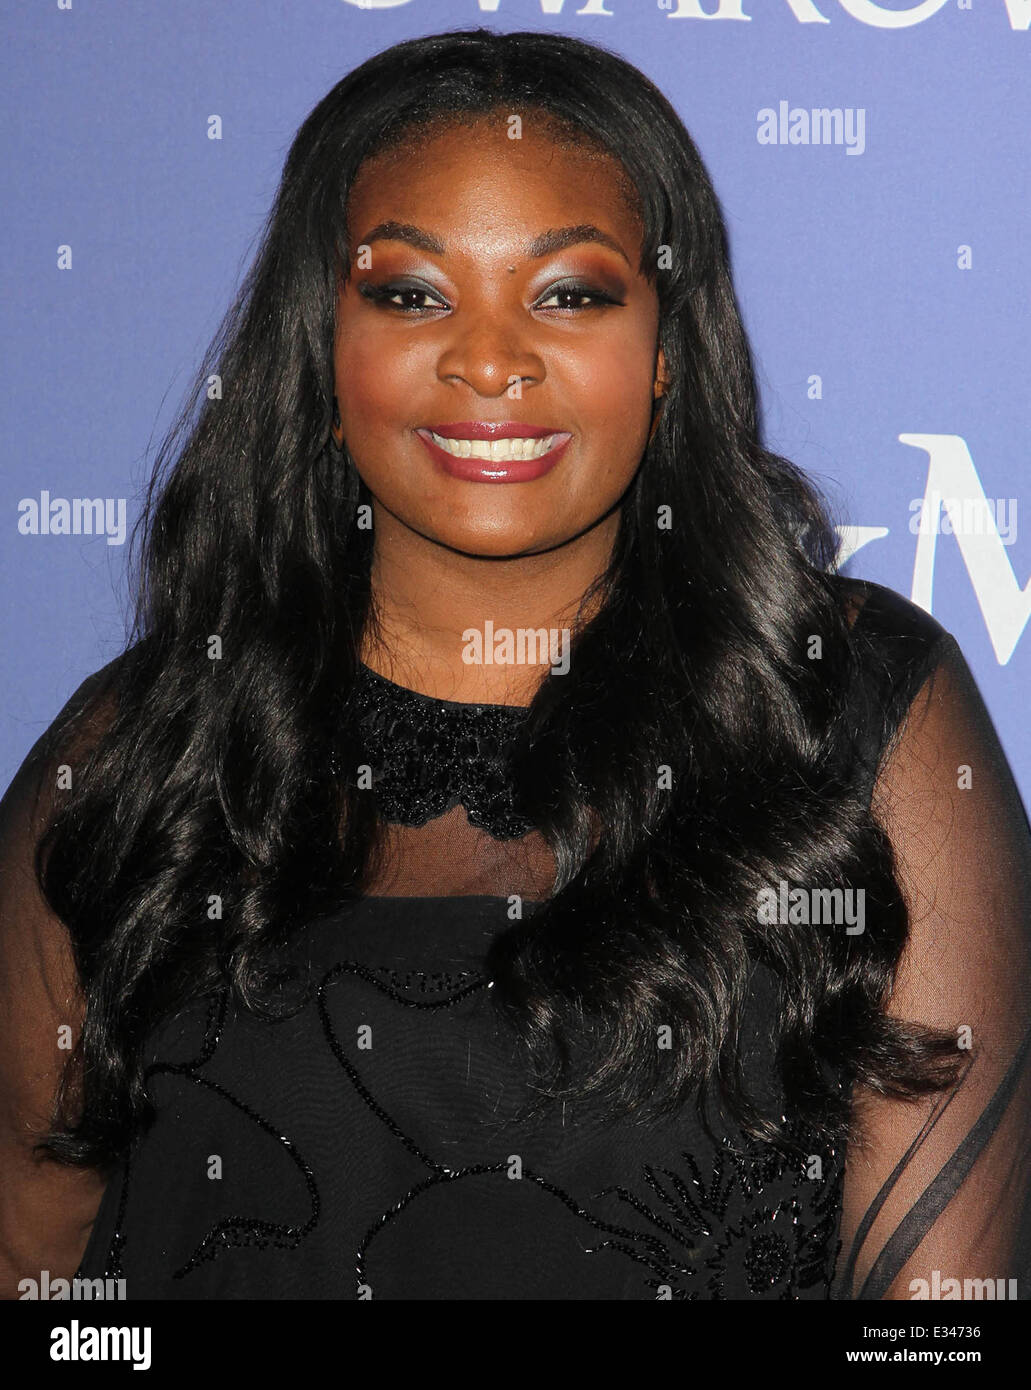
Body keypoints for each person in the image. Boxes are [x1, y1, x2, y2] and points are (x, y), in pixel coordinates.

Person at [2, 27, 1029, 1302]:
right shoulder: (138, 756)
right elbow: (36, 1265)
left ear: (664, 351)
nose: (489, 362)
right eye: (410, 293)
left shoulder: (842, 711)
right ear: (320, 350)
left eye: (569, 292)